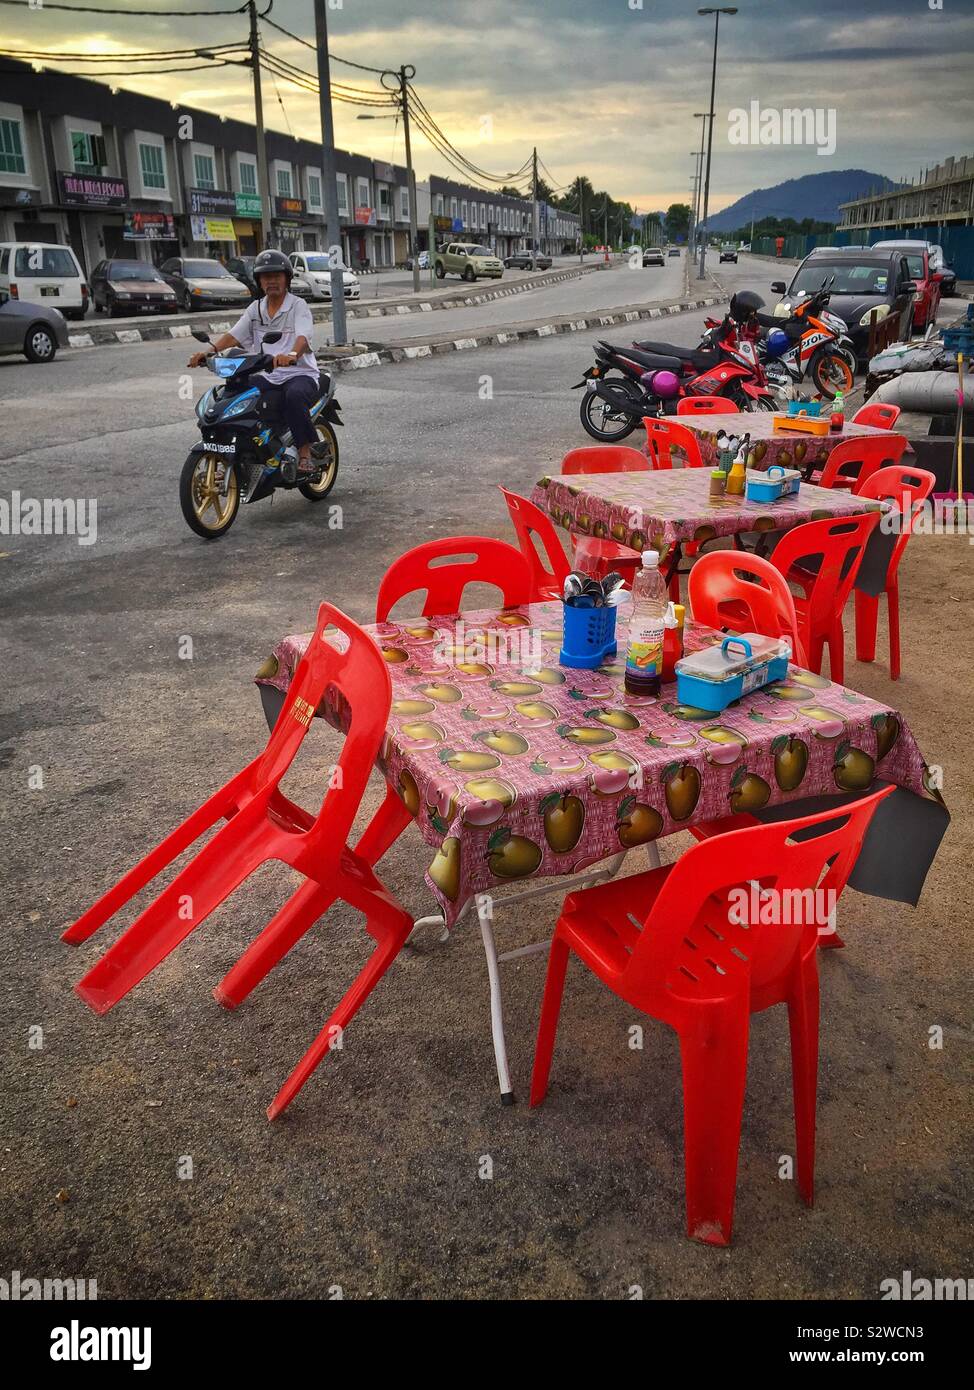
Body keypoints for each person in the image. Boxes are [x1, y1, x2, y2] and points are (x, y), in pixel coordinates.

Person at [188, 248, 320, 473]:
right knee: (235, 396)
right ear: (259, 281)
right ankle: (249, 447)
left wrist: (290, 355)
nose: (271, 281)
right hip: (268, 374)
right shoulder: (255, 309)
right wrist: (209, 352)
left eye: (276, 276)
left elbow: (303, 337)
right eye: (266, 277)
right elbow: (234, 335)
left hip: (300, 374)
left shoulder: (298, 306)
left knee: (294, 396)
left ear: (286, 279)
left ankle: (305, 452)